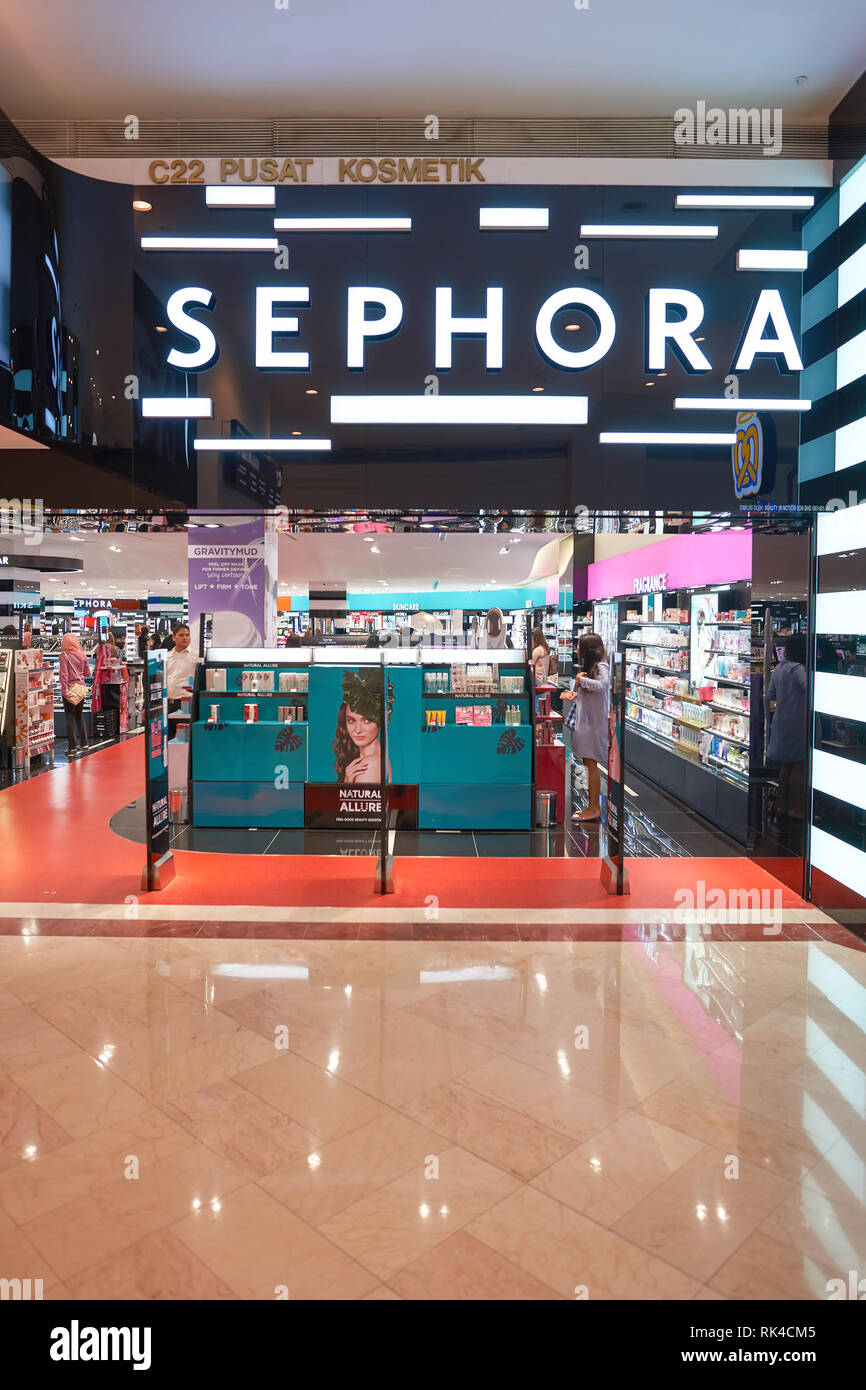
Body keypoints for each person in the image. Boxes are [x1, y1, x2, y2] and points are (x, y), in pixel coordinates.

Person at [562, 631, 610, 823]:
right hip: (587, 722)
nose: (577, 650)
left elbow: (603, 686)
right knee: (588, 764)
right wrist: (574, 692)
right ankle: (592, 806)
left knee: (591, 765)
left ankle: (594, 808)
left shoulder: (601, 667)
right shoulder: (592, 667)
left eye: (580, 647)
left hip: (594, 725)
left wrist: (581, 680)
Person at [767, 633, 807, 821]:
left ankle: (782, 805)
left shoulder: (780, 668)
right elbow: (809, 688)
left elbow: (770, 694)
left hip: (781, 719)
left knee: (786, 764)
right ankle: (796, 808)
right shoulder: (798, 669)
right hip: (797, 720)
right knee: (799, 763)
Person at [333, 670, 393, 783]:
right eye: (351, 721)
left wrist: (347, 785)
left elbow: (356, 801)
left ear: (379, 720)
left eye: (366, 720)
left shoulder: (368, 766)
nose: (357, 730)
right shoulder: (376, 758)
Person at [58, 632, 90, 756]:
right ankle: (85, 743)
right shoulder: (82, 654)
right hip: (81, 689)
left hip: (70, 690)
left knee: (69, 717)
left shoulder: (63, 656)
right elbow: (87, 673)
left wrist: (64, 691)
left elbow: (64, 675)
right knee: (79, 715)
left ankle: (72, 748)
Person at [166, 623, 198, 715]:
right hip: (168, 703)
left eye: (187, 635)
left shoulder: (196, 656)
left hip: (186, 703)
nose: (185, 638)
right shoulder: (167, 656)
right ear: (173, 637)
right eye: (181, 635)